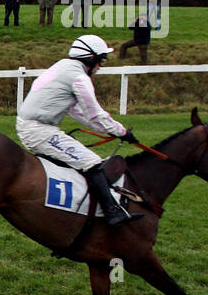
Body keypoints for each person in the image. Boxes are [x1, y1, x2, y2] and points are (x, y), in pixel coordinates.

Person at [16, 34, 143, 226]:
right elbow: (95, 115)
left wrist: (112, 130)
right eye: (101, 61)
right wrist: (121, 131)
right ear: (91, 58)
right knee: (92, 162)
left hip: (33, 126)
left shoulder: (63, 66)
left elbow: (77, 112)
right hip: (38, 130)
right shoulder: (78, 77)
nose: (100, 66)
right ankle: (112, 212)